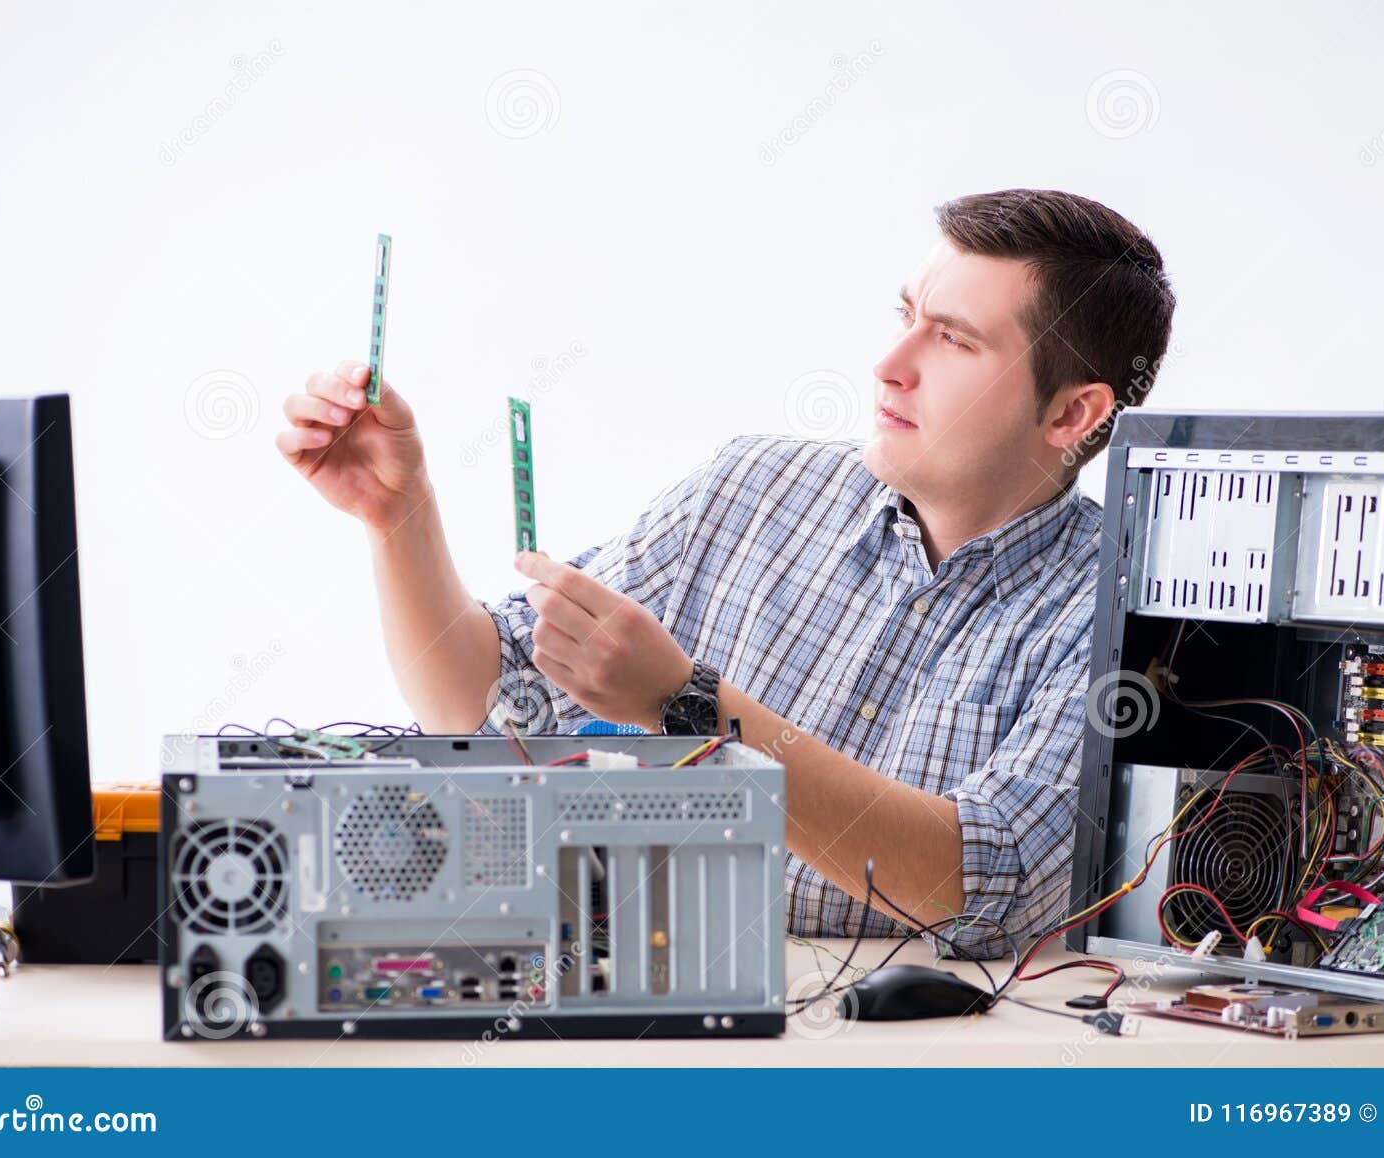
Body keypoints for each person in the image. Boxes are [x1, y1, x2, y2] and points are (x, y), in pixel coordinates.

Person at [276, 188, 1175, 954]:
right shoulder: (752, 490)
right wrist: (399, 516)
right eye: (905, 318)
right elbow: (487, 707)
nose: (889, 367)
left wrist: (692, 705)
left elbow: (980, 882)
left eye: (953, 341)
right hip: (664, 996)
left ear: (1072, 414)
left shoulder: (1120, 612)